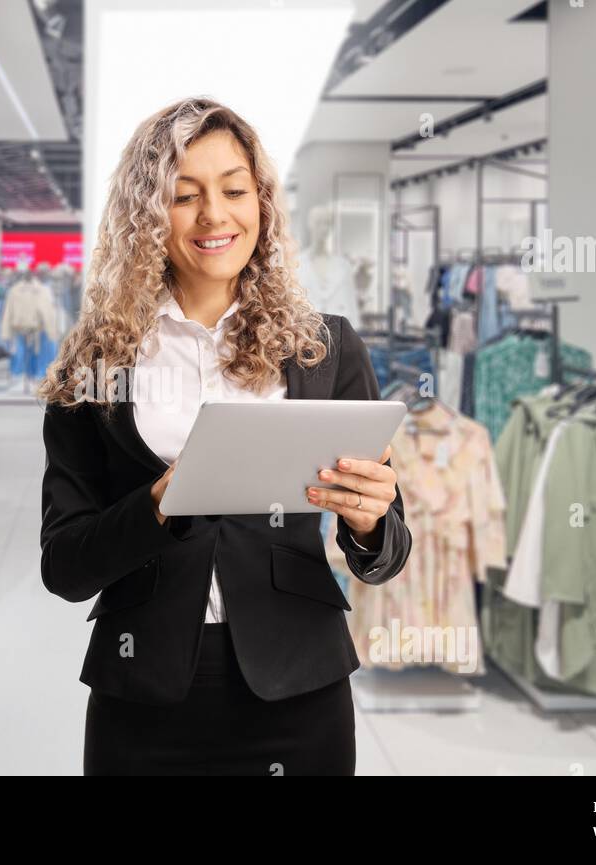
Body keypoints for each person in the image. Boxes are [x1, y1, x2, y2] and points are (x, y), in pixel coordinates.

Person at [36, 97, 412, 776]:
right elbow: (64, 567)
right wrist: (158, 503)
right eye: (185, 195)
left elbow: (384, 556)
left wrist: (370, 522)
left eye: (234, 190)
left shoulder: (324, 349)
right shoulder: (93, 365)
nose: (215, 215)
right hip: (143, 691)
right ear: (148, 216)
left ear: (261, 204)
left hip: (299, 687)